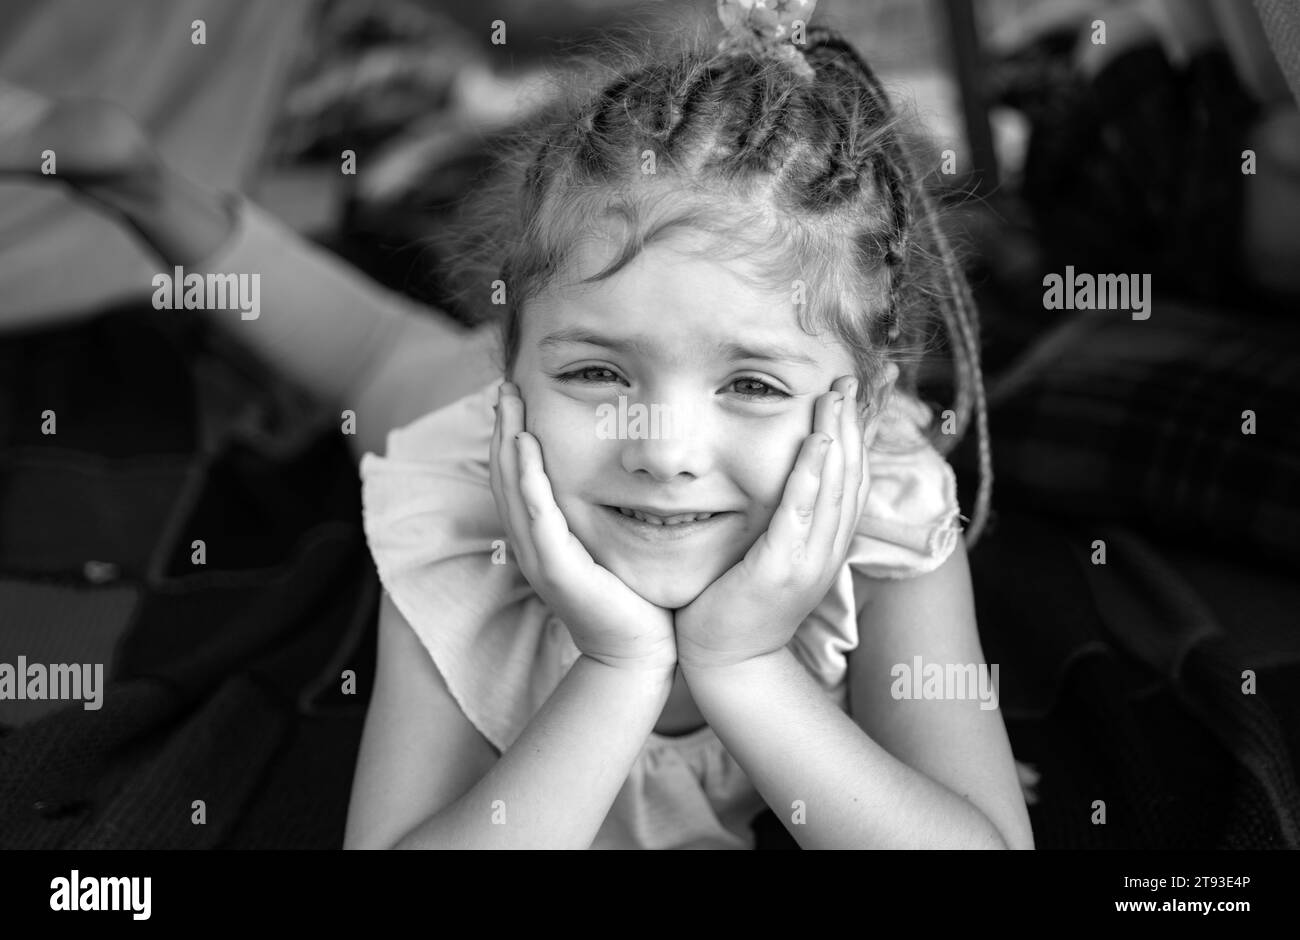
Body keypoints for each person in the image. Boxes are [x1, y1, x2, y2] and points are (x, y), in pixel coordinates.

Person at [0, 3, 1031, 849]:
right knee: (379, 361)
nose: (660, 448)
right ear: (512, 364)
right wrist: (617, 670)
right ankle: (139, 183)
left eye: (753, 385)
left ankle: (138, 179)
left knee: (381, 354)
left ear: (857, 404)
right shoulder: (468, 501)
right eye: (595, 368)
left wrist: (746, 668)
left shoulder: (881, 507)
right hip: (478, 418)